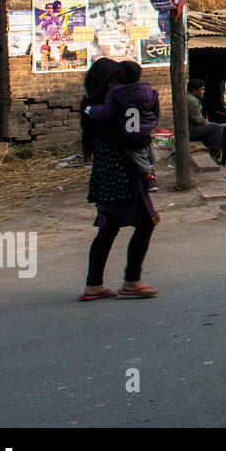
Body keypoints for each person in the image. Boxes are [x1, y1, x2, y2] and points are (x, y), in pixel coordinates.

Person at [79, 58, 159, 301]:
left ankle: (94, 284)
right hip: (123, 172)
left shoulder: (92, 104)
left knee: (108, 227)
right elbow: (132, 137)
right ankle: (132, 280)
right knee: (146, 223)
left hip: (105, 171)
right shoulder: (116, 103)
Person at [85, 59, 160, 193]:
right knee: (144, 149)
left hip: (129, 133)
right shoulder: (147, 89)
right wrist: (152, 122)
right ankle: (150, 167)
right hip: (144, 129)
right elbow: (156, 108)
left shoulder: (115, 93)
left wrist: (91, 111)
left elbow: (107, 111)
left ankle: (148, 175)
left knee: (136, 153)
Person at [186, 78, 224, 161]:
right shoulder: (192, 101)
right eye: (202, 89)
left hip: (188, 130)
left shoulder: (189, 97)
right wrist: (208, 123)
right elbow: (197, 120)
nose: (203, 91)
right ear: (195, 91)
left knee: (212, 127)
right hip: (189, 131)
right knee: (217, 127)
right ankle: (213, 154)